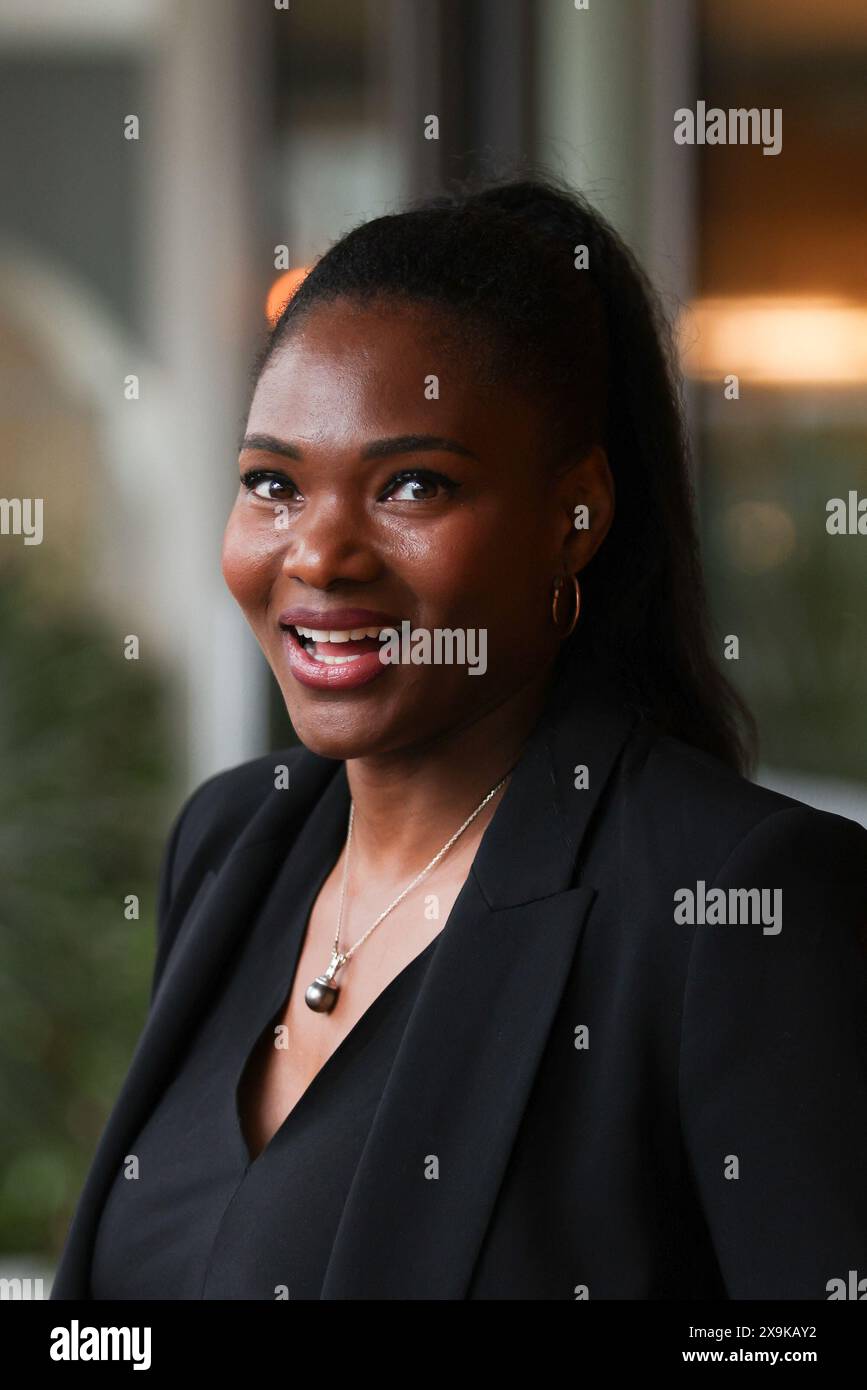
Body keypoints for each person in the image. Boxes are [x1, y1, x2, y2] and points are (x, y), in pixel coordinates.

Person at [51, 174, 867, 1300]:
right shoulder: (232, 843)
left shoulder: (729, 901)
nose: (321, 554)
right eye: (274, 484)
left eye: (414, 485)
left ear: (573, 516)